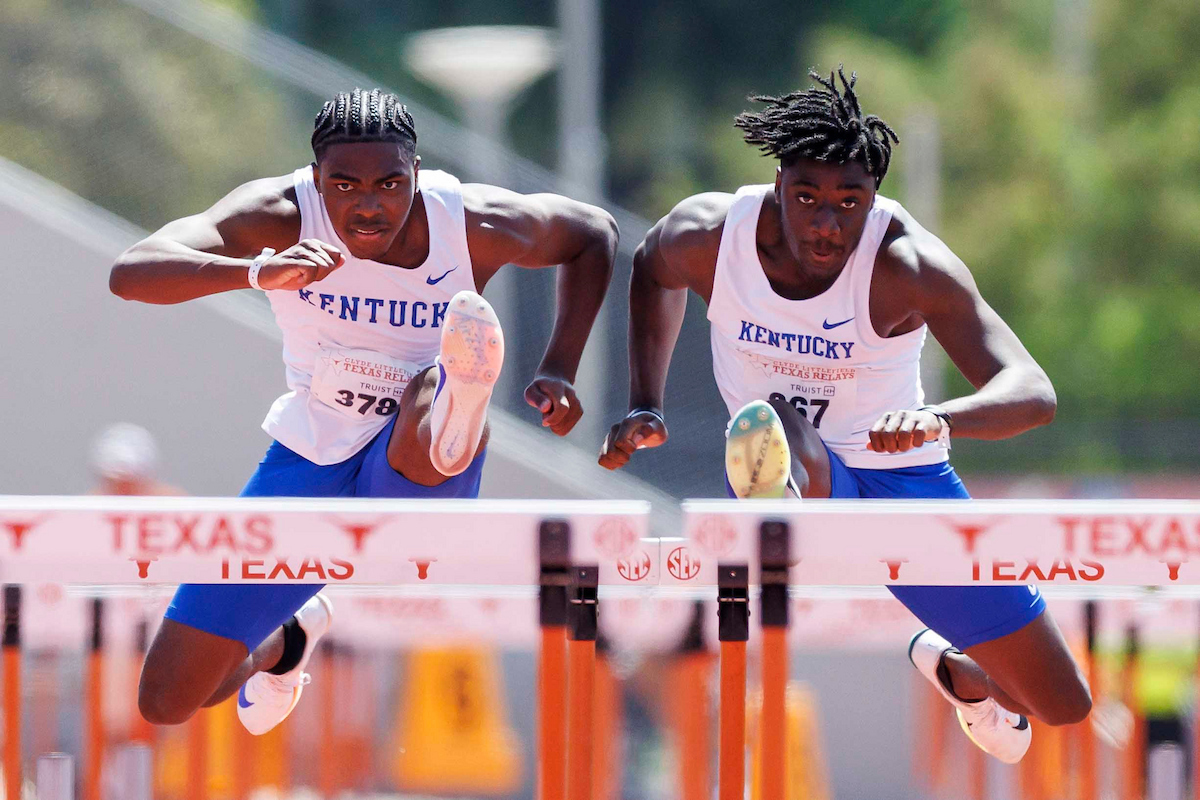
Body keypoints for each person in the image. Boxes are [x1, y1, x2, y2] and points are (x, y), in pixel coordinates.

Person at [598, 67, 1090, 763]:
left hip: (905, 479)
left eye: (848, 204)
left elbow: (1033, 391)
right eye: (807, 199)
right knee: (778, 421)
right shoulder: (711, 236)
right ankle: (785, 507)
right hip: (788, 461)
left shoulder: (908, 267)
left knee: (1062, 705)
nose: (827, 225)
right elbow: (651, 269)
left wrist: (941, 419)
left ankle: (949, 663)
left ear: (873, 199)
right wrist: (645, 399)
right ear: (777, 189)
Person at [111, 88, 617, 734]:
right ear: (317, 180)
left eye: (389, 184)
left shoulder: (469, 224)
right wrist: (256, 273)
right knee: (170, 698)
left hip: (421, 453)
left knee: (426, 394)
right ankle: (289, 640)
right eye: (344, 185)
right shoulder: (281, 216)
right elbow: (132, 271)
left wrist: (558, 367)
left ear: (417, 172)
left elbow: (593, 234)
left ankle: (462, 398)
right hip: (312, 449)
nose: (368, 205)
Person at [89, 422, 182, 496]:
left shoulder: (173, 505)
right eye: (116, 485)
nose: (123, 492)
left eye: (130, 485)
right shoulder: (90, 507)